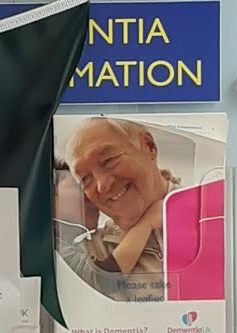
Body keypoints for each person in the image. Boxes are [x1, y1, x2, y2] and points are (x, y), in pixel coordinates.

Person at [54, 117, 179, 303]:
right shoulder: (85, 253)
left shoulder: (213, 209)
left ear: (149, 147)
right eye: (85, 179)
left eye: (109, 160)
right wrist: (145, 225)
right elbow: (103, 279)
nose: (102, 186)